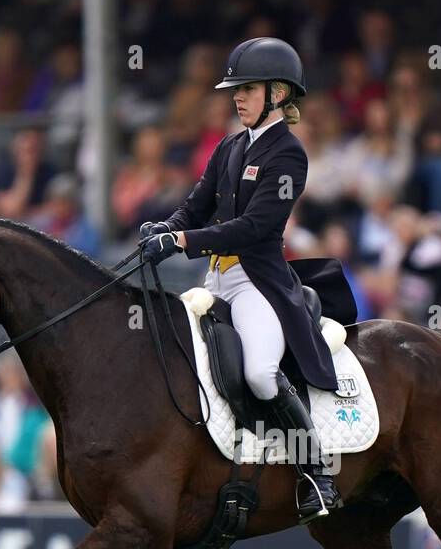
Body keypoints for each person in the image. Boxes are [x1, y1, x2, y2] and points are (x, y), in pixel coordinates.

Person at [139, 37, 341, 523]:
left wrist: (184, 242)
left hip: (257, 282)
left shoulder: (288, 155)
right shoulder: (231, 145)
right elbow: (197, 204)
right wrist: (166, 228)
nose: (236, 97)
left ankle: (317, 471)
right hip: (215, 279)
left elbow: (255, 228)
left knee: (259, 374)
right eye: (236, 89)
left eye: (246, 88)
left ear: (277, 93)